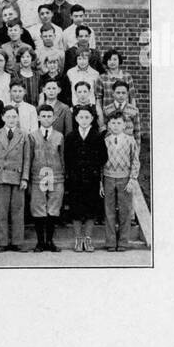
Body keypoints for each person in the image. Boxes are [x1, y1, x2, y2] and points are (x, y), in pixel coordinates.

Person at [65, 105, 107, 252]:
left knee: (91, 209)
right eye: (81, 117)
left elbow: (103, 157)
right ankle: (78, 239)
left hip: (92, 178)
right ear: (76, 119)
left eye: (87, 117)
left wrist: (94, 170)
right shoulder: (70, 137)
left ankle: (88, 239)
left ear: (92, 119)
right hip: (75, 179)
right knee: (76, 209)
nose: (84, 120)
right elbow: (67, 158)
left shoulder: (97, 136)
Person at [0, 103, 31, 252]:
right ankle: (2, 242)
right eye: (8, 116)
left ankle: (17, 242)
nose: (11, 119)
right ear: (2, 117)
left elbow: (27, 158)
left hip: (17, 177)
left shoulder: (24, 135)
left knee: (18, 210)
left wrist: (25, 178)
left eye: (14, 116)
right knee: (2, 211)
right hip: (2, 176)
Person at [29, 103, 65, 252]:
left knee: (53, 208)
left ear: (54, 117)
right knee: (38, 208)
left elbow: (63, 157)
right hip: (38, 176)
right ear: (38, 117)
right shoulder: (32, 136)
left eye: (49, 116)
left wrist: (63, 174)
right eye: (43, 116)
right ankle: (40, 242)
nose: (46, 119)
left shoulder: (59, 136)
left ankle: (50, 241)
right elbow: (29, 157)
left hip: (56, 176)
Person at [103, 109, 140, 251]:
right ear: (109, 125)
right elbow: (101, 162)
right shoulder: (105, 140)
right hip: (108, 178)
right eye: (113, 123)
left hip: (124, 178)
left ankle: (123, 241)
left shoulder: (130, 140)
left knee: (124, 210)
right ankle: (111, 242)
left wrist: (132, 179)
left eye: (119, 123)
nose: (116, 126)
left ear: (124, 125)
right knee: (109, 210)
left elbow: (135, 161)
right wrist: (101, 182)